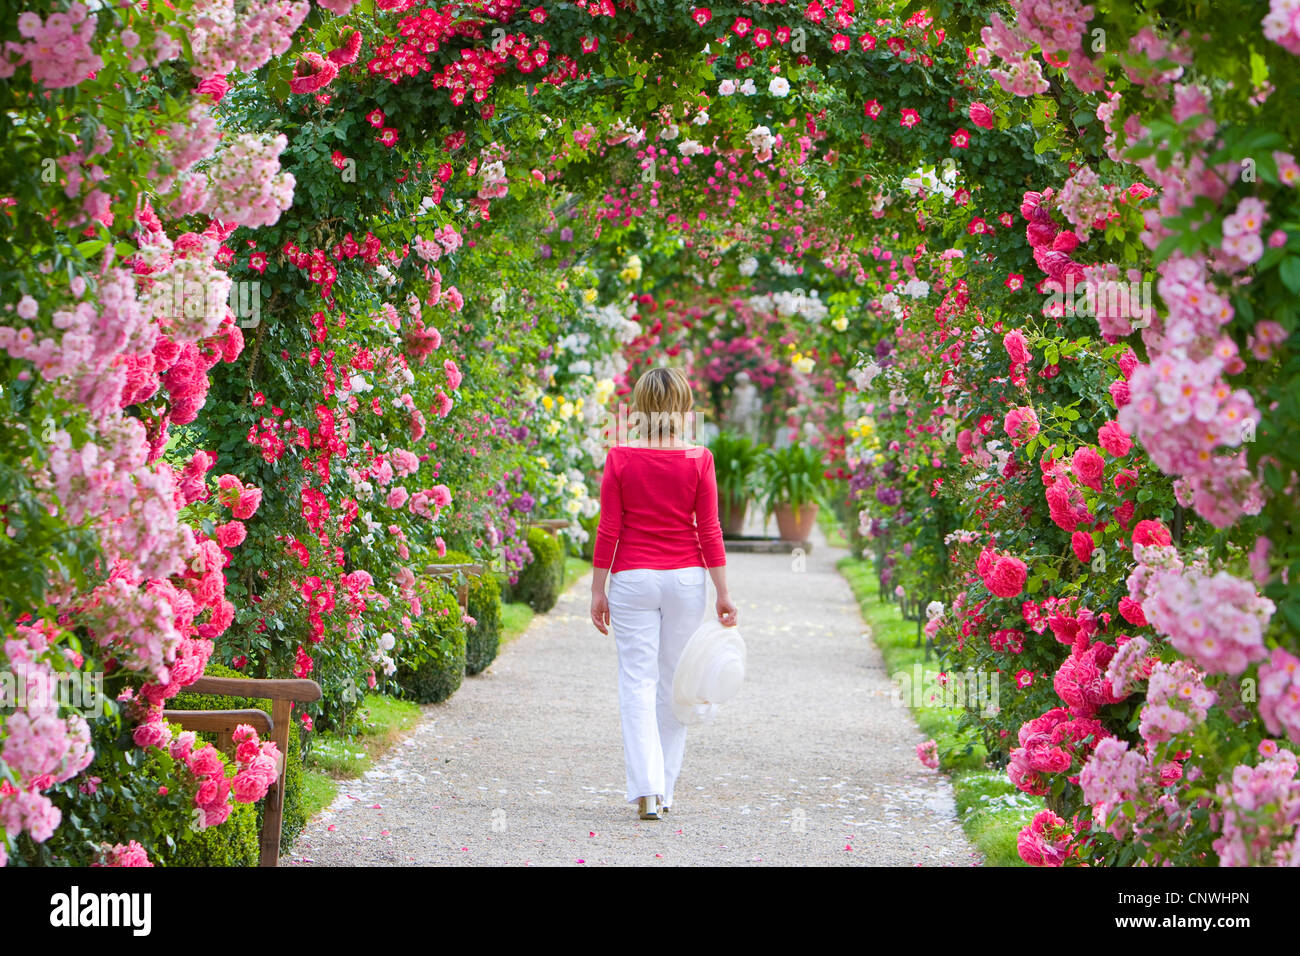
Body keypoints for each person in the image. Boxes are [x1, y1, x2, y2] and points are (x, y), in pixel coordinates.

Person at [590, 366, 739, 821]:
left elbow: (609, 528)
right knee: (675, 684)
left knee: (637, 683)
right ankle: (666, 790)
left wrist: (598, 590)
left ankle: (648, 791)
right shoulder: (699, 458)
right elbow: (709, 528)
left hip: (633, 577)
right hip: (686, 579)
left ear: (639, 408)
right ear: (682, 407)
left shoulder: (620, 457)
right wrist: (723, 592)